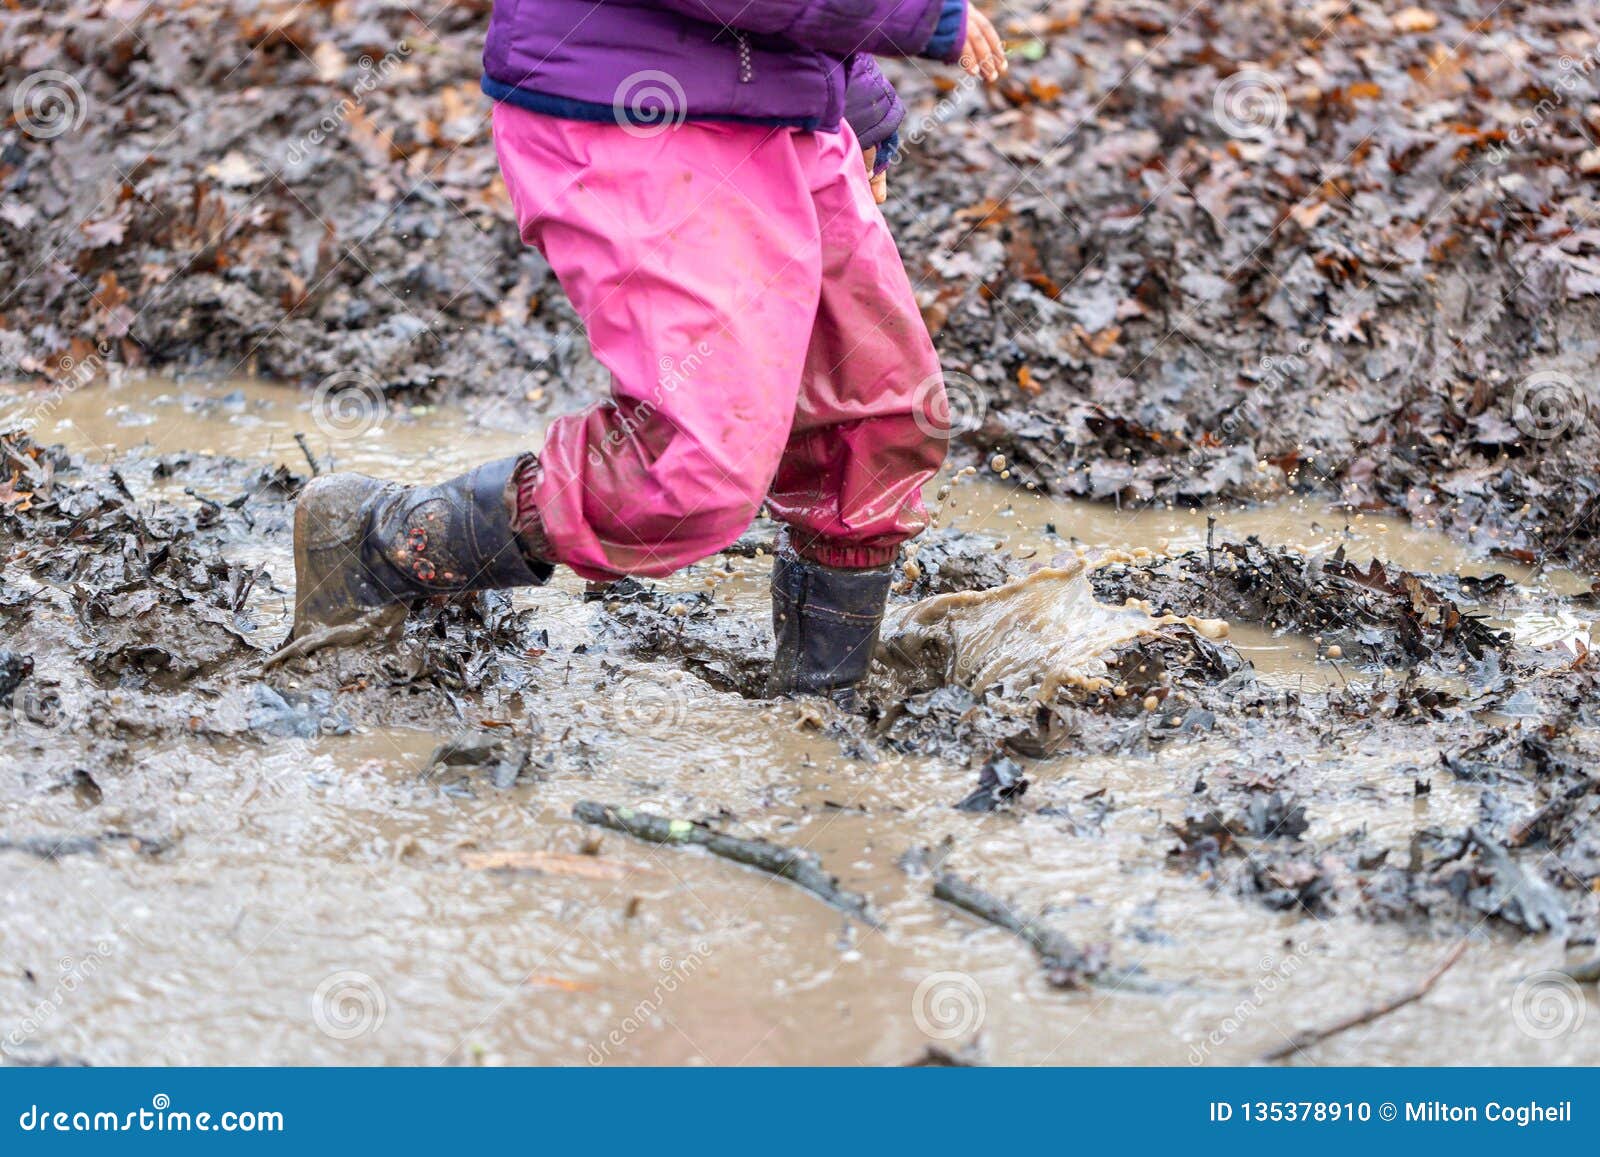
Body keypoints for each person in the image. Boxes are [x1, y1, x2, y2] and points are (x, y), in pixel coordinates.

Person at [286, 0, 1007, 705]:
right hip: (625, 108)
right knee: (695, 464)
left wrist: (852, 87)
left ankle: (818, 722)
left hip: (780, 98)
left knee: (878, 414)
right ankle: (376, 542)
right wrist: (914, 16)